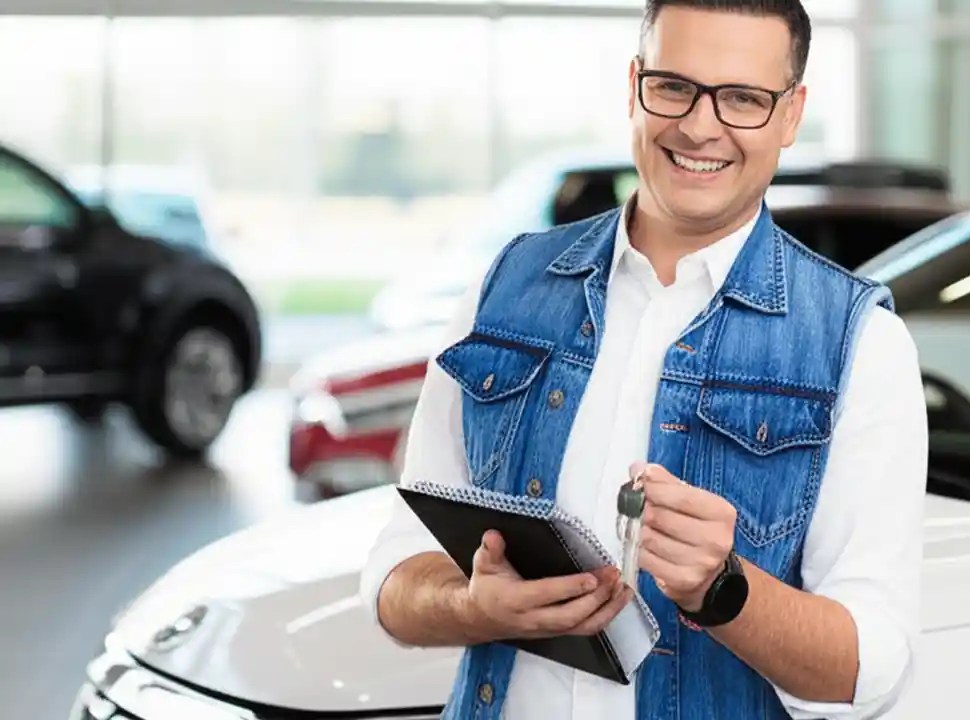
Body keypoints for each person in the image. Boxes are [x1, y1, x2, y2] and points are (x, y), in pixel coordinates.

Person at [358, 1, 928, 718]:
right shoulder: (505, 288)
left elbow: (871, 666)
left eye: (744, 99)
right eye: (673, 86)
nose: (698, 125)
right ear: (634, 84)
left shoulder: (859, 344)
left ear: (791, 115)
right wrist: (474, 607)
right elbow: (396, 576)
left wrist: (725, 591)